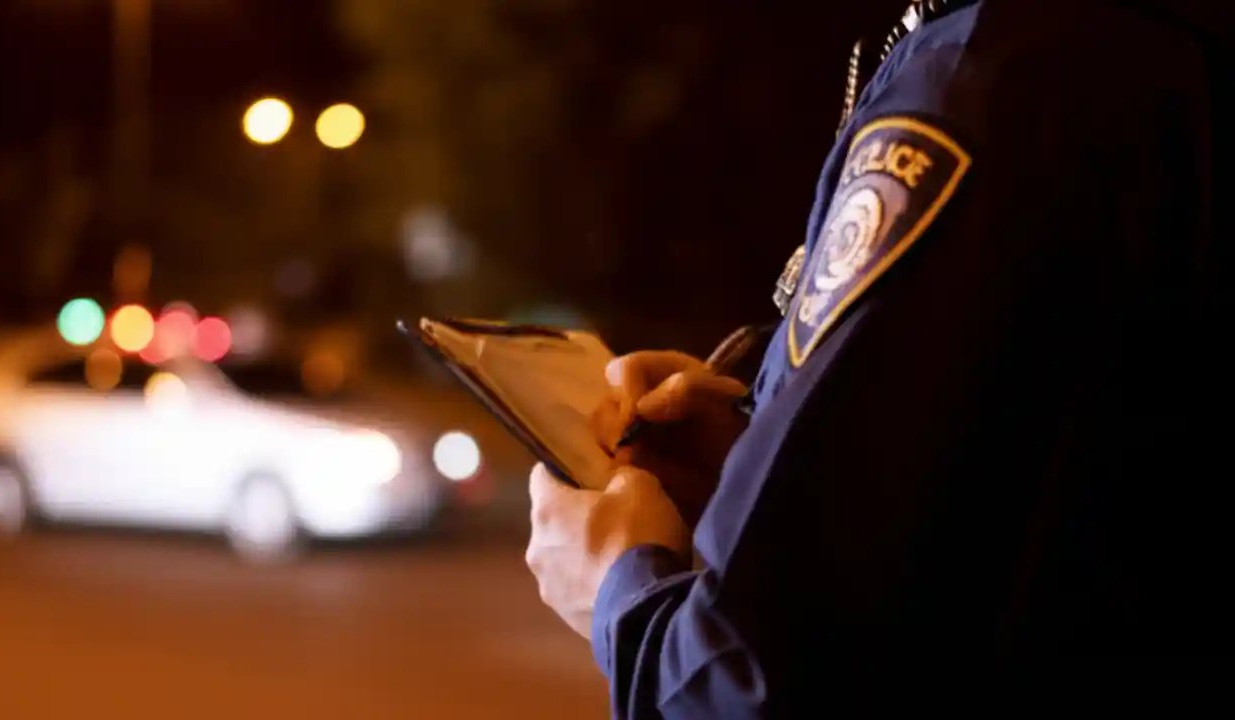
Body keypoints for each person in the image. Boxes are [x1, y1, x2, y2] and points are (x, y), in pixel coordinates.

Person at [525, 0, 1233, 714]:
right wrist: (771, 444)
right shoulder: (1131, 46)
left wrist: (619, 589)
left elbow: (750, 686)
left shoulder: (994, 79)